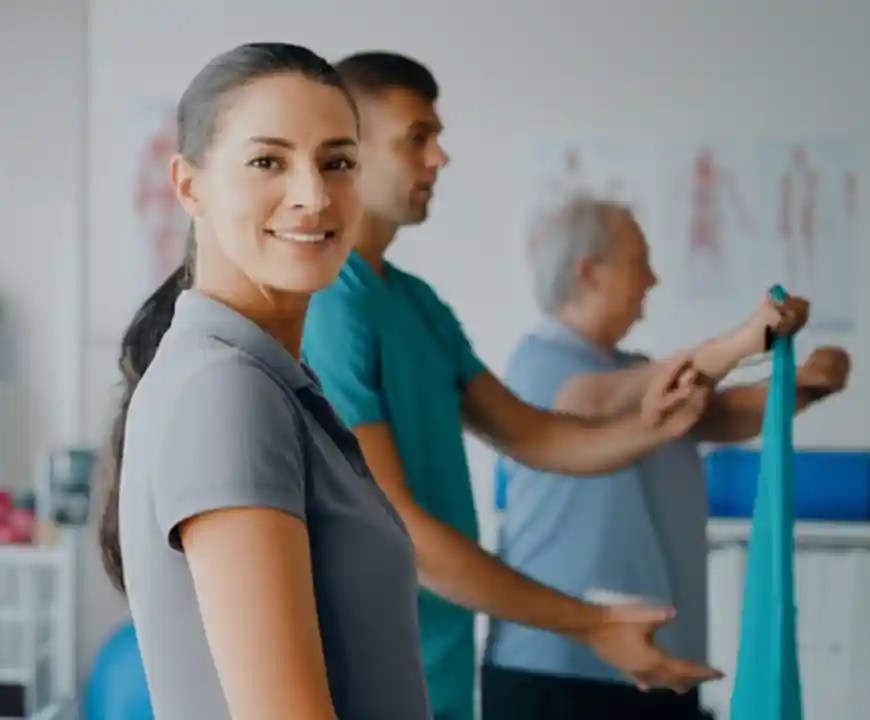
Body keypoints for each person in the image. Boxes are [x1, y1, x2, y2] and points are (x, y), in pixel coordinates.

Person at [99, 43, 715, 720]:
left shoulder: (279, 381)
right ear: (189, 185)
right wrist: (590, 624)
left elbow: (532, 432)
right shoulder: (226, 392)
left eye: (337, 162)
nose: (312, 194)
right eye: (267, 161)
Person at [300, 51, 735, 720]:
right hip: (364, 673)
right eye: (419, 137)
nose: (439, 158)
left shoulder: (417, 303)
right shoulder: (333, 302)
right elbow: (399, 532)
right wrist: (589, 623)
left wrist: (660, 424)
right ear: (347, 149)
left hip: (438, 666)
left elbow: (532, 433)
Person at [482, 197, 850, 719]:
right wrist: (742, 342)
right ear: (589, 272)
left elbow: (716, 415)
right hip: (558, 672)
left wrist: (804, 386)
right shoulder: (539, 362)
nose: (653, 280)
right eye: (639, 263)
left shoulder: (633, 367)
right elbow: (594, 402)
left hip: (651, 668)